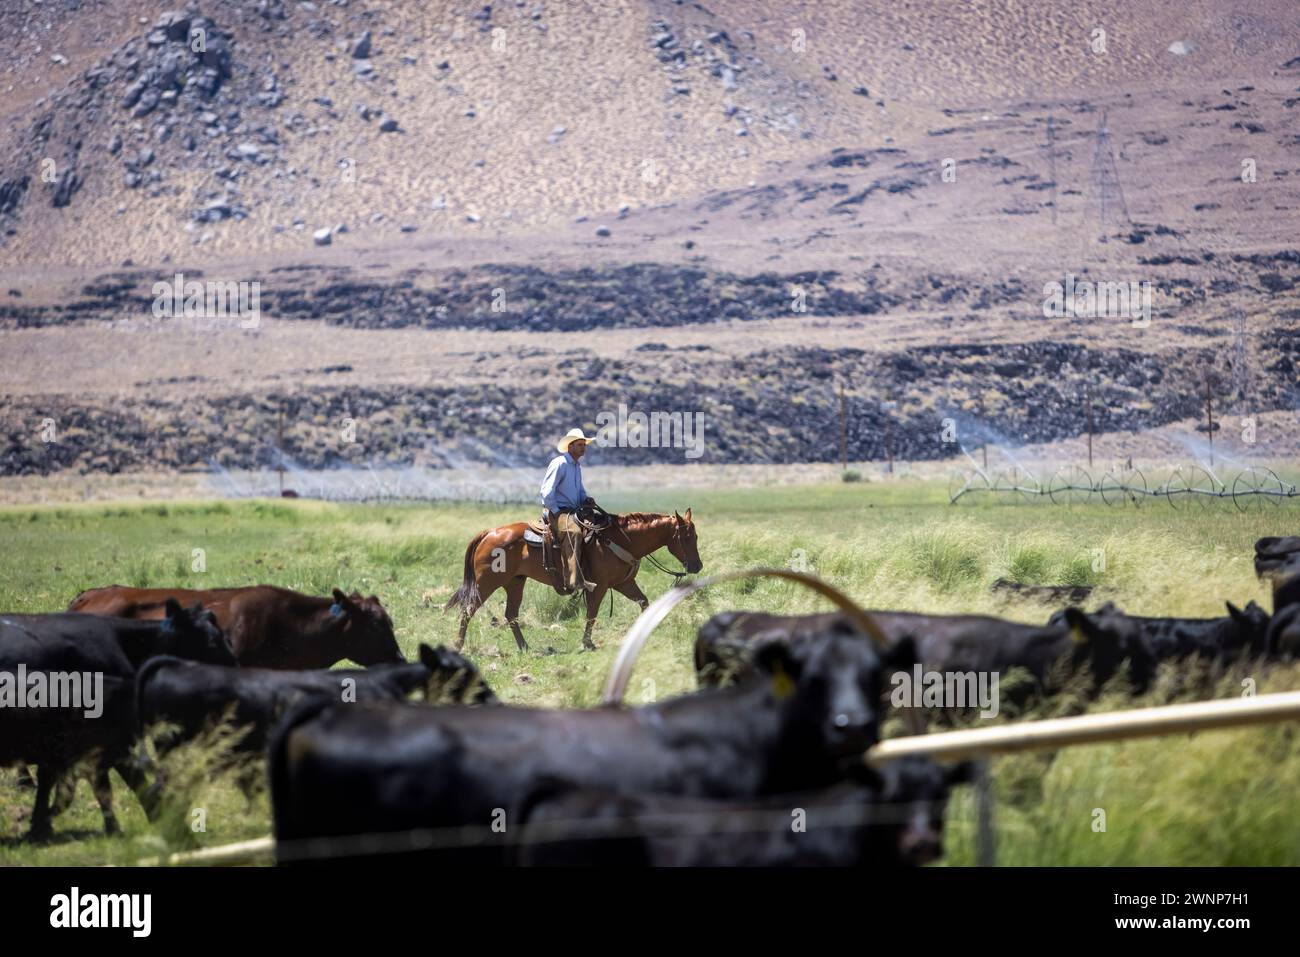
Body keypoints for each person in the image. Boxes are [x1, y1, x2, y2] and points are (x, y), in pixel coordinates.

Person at [540, 428, 598, 593]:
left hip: (573, 511)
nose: (583, 448)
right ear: (570, 446)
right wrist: (557, 511)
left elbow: (579, 491)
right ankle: (573, 580)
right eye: (580, 444)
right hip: (558, 512)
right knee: (574, 533)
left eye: (584, 445)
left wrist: (586, 499)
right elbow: (547, 492)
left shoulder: (577, 467)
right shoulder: (560, 463)